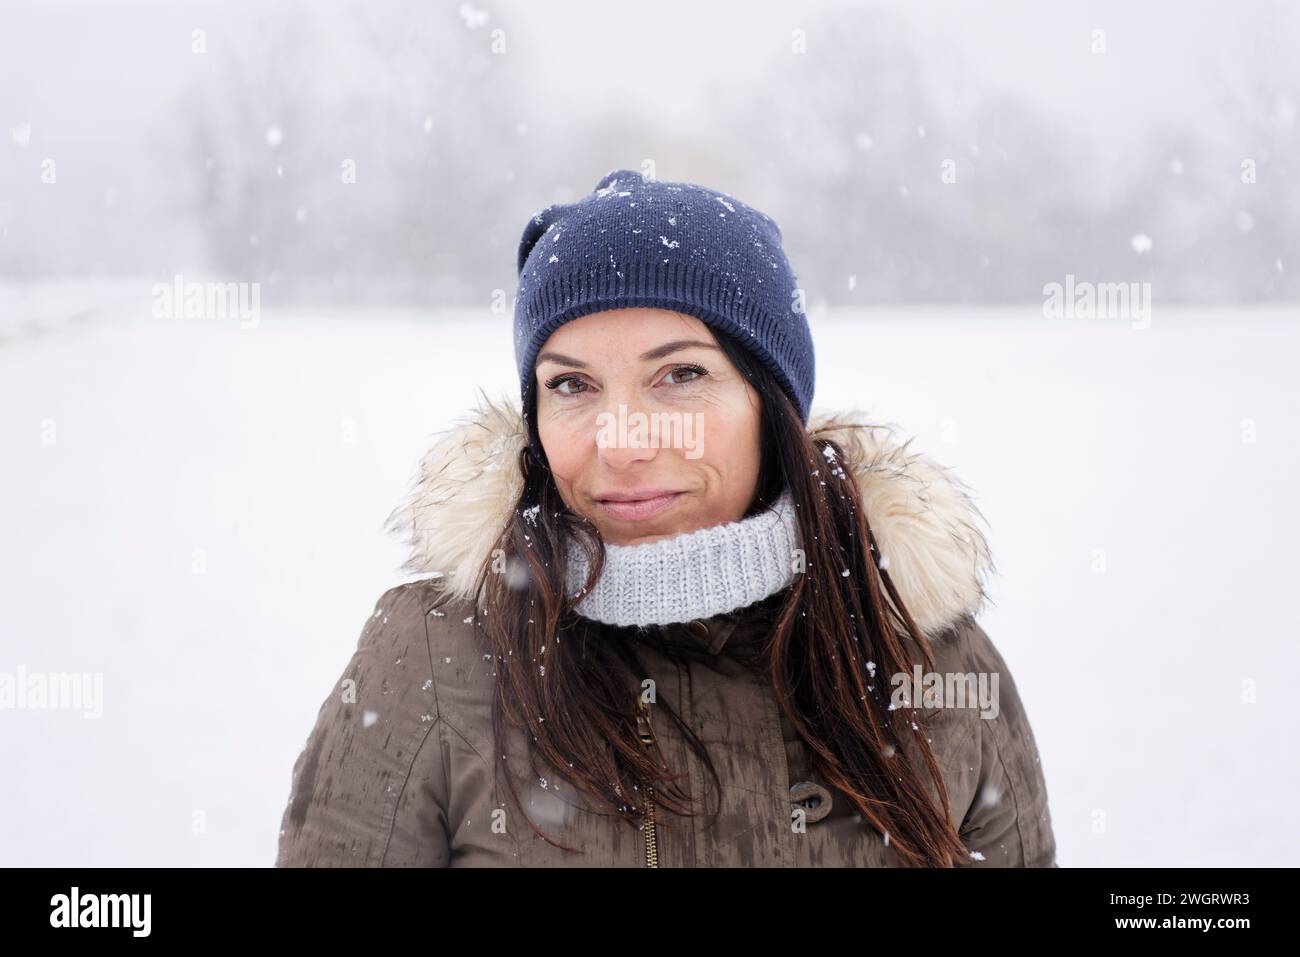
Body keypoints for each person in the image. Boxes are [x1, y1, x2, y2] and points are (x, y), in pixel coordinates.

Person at [275, 168, 1057, 867]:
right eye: (573, 386)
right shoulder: (438, 657)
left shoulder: (926, 656)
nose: (623, 441)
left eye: (680, 374)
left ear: (771, 403)